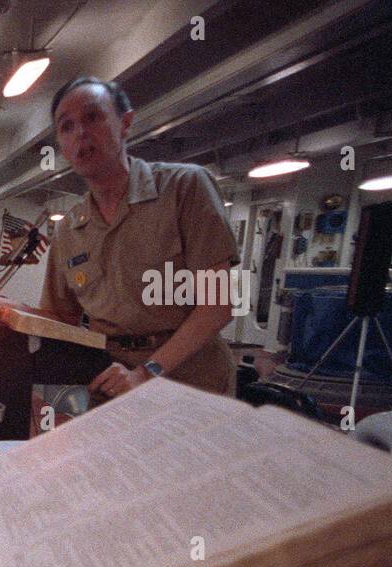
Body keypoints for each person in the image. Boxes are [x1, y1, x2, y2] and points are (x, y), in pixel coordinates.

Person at [29, 76, 239, 397]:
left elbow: (218, 305)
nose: (80, 133)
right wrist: (3, 312)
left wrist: (146, 372)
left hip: (192, 382)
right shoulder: (69, 229)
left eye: (92, 117)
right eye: (67, 127)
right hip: (109, 381)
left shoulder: (184, 188)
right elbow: (59, 318)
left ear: (126, 123)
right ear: (61, 146)